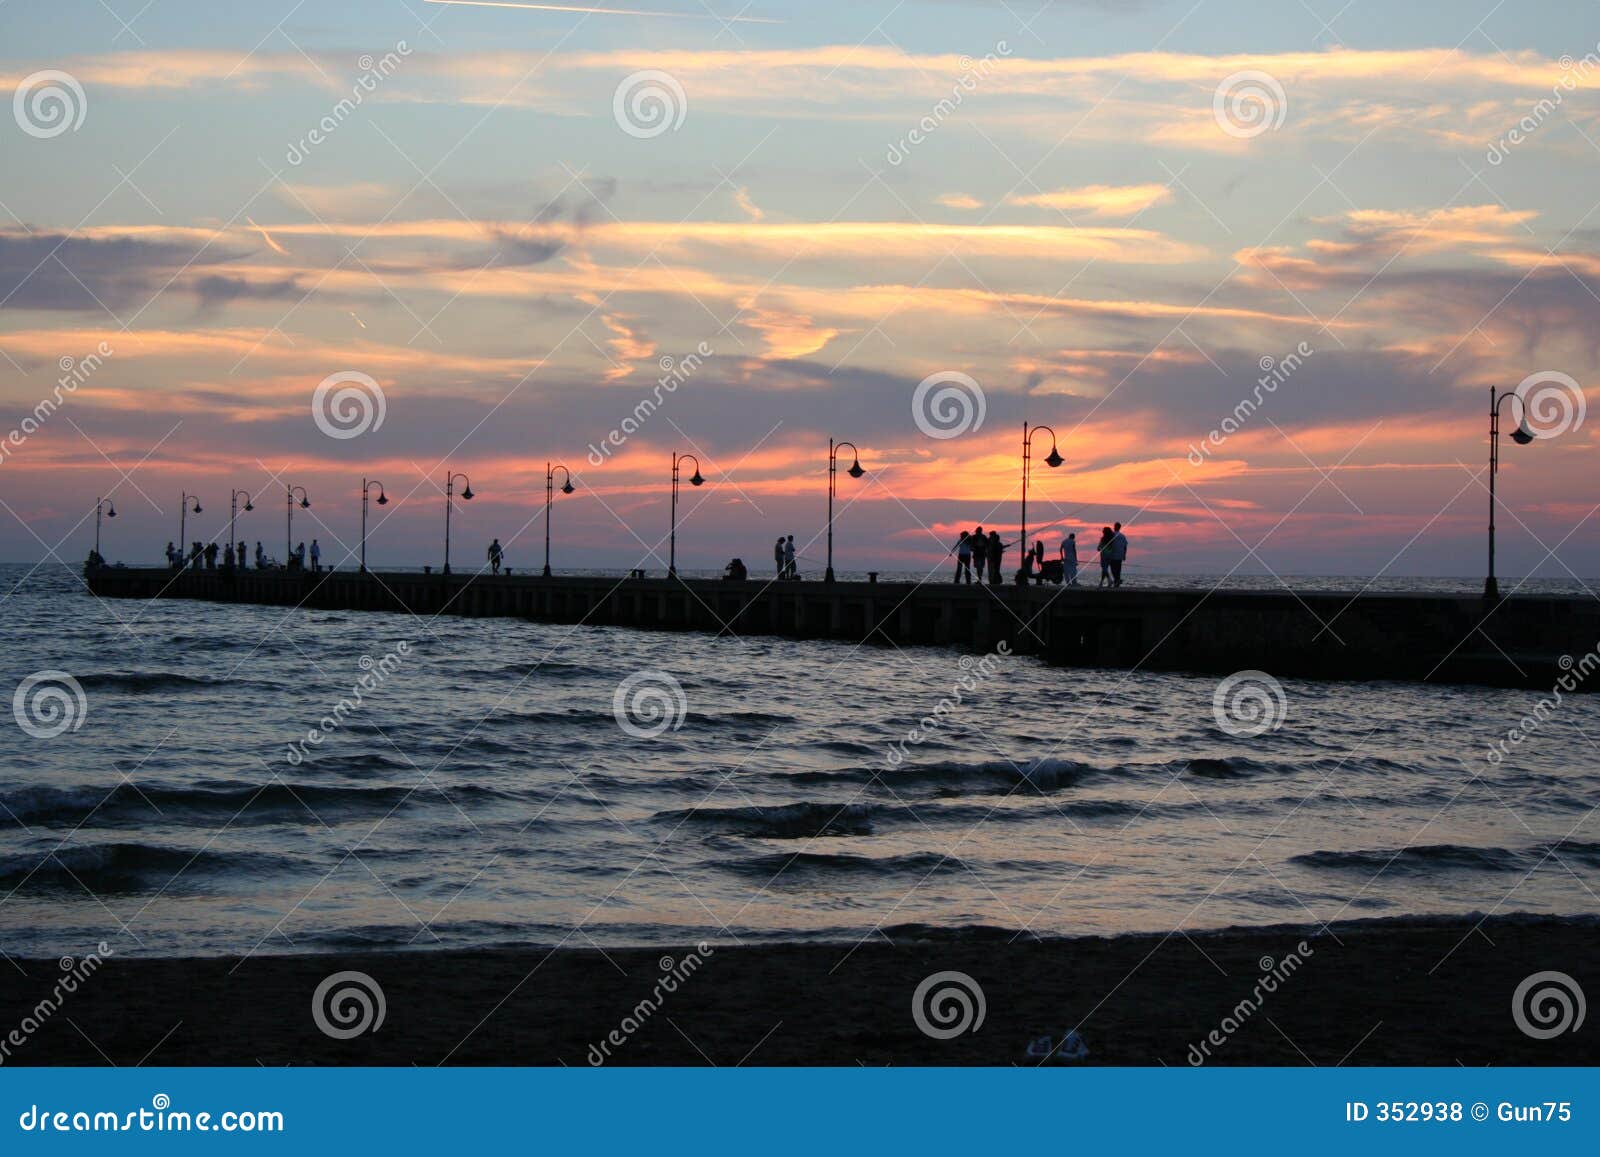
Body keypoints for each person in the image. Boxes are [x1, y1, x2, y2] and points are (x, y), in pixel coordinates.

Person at [1106, 521, 1128, 587]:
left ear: (1115, 527)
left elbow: (1108, 545)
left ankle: (1117, 580)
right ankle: (1117, 581)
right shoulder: (1122, 536)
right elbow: (1125, 546)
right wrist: (1124, 555)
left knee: (1113, 569)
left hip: (1113, 555)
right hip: (1120, 555)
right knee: (1118, 569)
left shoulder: (1111, 535)